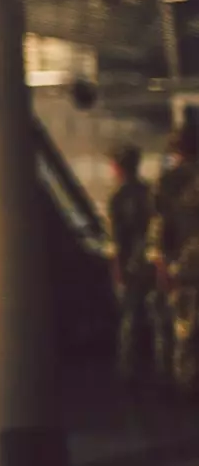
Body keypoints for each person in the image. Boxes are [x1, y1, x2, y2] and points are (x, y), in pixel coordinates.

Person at [153, 121, 199, 397]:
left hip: (183, 267)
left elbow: (160, 229)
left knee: (184, 330)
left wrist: (162, 269)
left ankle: (187, 385)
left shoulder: (167, 182)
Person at [108, 145, 152, 386]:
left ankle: (128, 370)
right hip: (149, 262)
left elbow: (116, 241)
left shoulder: (118, 197)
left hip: (130, 265)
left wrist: (117, 271)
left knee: (129, 318)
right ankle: (157, 369)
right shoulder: (149, 191)